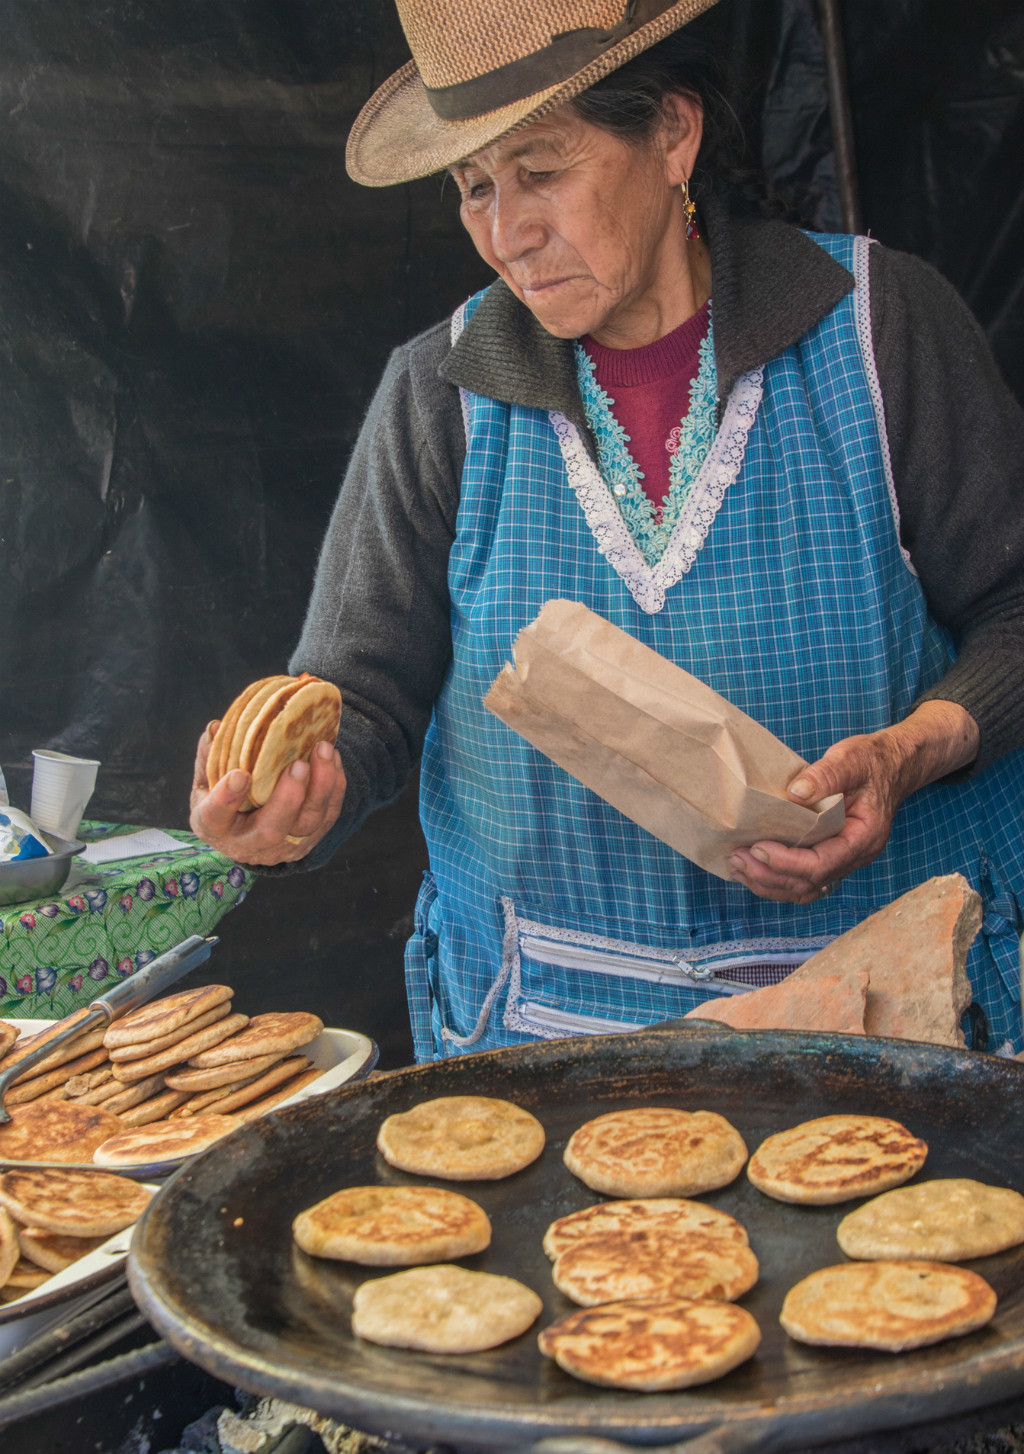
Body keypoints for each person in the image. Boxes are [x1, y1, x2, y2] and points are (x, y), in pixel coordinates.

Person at [191, 0, 1024, 1059]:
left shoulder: (875, 330)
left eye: (542, 170)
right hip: (544, 1052)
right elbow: (360, 700)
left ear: (673, 137)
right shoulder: (436, 395)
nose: (507, 231)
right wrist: (301, 802)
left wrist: (909, 751)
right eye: (475, 187)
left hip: (882, 1034)